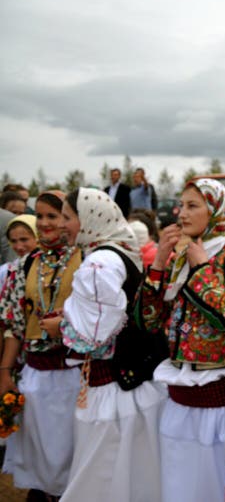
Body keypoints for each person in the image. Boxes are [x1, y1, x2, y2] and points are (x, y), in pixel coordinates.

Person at [135, 178, 225, 502]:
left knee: (214, 487)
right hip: (177, 399)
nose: (181, 213)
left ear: (215, 210)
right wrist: (160, 261)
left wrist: (203, 267)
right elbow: (147, 321)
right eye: (181, 205)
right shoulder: (181, 258)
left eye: (193, 206)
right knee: (178, 487)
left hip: (219, 405)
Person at [42, 188, 165, 502]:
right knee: (128, 471)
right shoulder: (115, 252)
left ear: (90, 219)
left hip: (113, 388)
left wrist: (61, 326)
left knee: (103, 474)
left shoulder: (100, 261)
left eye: (68, 217)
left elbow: (95, 335)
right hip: (127, 383)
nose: (62, 225)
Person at [0, 192, 82, 501]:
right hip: (37, 377)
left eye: (56, 216)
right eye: (42, 216)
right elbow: (13, 325)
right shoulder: (23, 266)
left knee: (74, 456)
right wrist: (5, 371)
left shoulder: (86, 258)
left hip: (76, 375)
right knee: (44, 460)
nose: (47, 223)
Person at [0, 214, 38, 289]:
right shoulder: (5, 272)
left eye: (24, 239)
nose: (19, 247)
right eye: (13, 241)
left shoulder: (49, 268)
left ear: (38, 237)